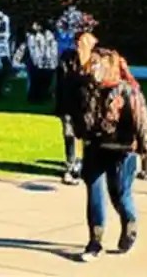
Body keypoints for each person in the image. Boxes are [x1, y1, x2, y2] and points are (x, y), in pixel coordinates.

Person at [67, 46, 147, 261]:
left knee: (120, 195)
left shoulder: (128, 91)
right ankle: (95, 241)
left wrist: (146, 156)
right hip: (96, 147)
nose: (94, 68)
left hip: (123, 151)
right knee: (94, 192)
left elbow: (143, 124)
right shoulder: (87, 88)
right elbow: (79, 117)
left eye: (98, 64)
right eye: (92, 64)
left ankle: (129, 224)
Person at [55, 31, 98, 185]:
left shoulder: (94, 60)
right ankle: (70, 163)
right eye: (79, 42)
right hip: (68, 103)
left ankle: (87, 165)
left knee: (88, 136)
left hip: (87, 106)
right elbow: (63, 80)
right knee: (69, 133)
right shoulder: (67, 58)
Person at [25, 22, 59, 104]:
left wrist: (52, 61)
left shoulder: (50, 36)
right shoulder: (33, 37)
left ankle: (41, 97)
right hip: (37, 62)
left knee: (44, 81)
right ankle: (34, 97)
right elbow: (33, 50)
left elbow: (52, 50)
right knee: (35, 81)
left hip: (46, 62)